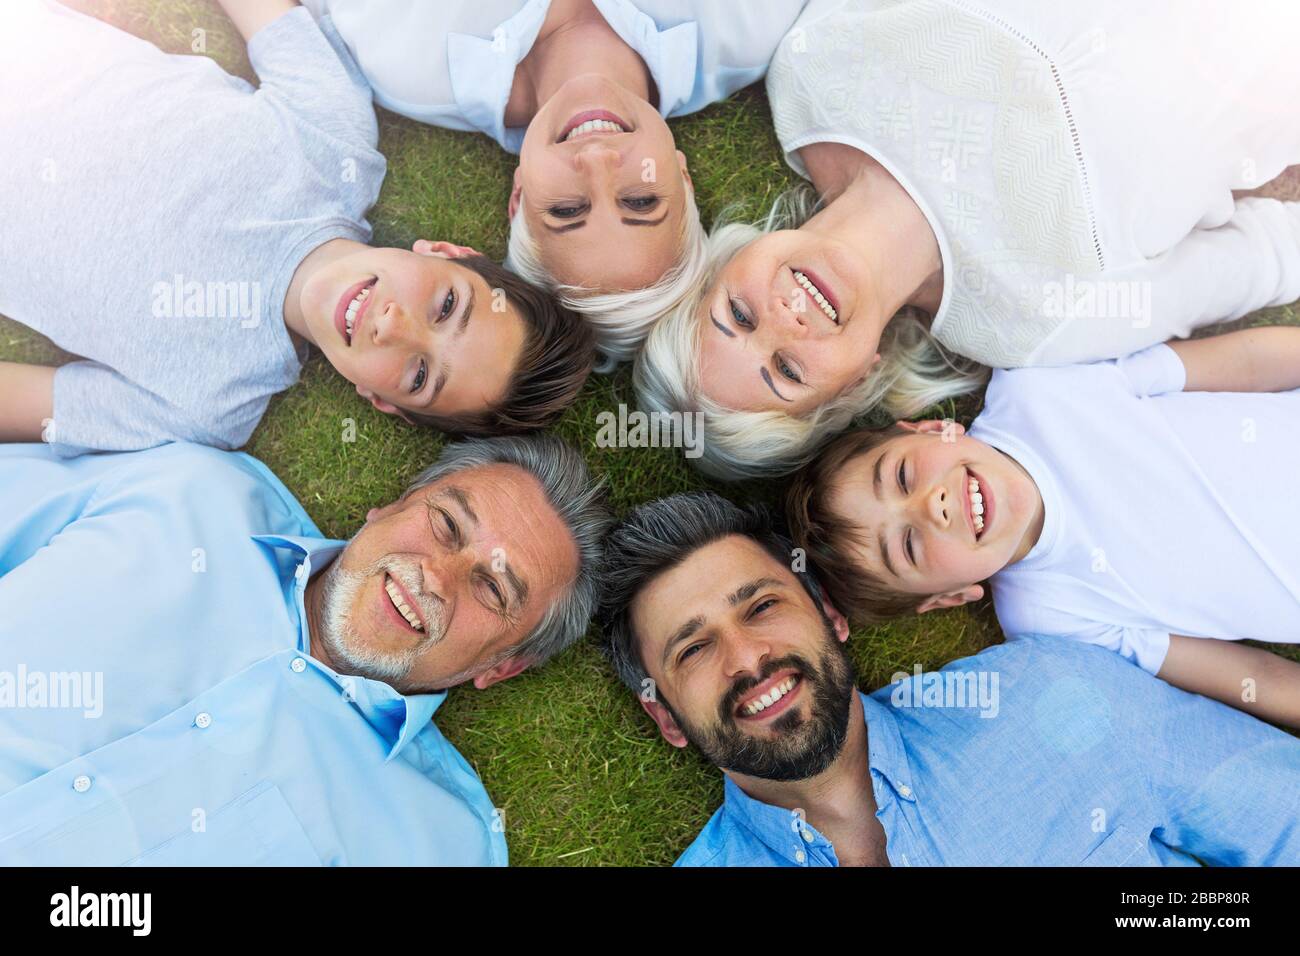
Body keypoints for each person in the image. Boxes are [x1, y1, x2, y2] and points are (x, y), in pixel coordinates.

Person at [634, 0, 1300, 478]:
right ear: (853, 385)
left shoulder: (811, 68)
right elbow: (1261, 260)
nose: (786, 323)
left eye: (738, 316)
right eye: (786, 371)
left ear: (727, 258)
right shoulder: (1034, 324)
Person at [0, 0, 592, 455]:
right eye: (444, 306)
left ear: (381, 401)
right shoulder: (335, 144)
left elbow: (32, 402)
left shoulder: (207, 406)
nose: (396, 325)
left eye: (419, 374)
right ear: (443, 252)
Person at [0, 433, 610, 864]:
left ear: (501, 667)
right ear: (388, 507)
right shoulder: (192, 491)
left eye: (492, 588)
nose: (435, 577)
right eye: (445, 525)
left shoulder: (440, 843)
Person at [597, 492, 1300, 866]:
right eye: (692, 651)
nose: (747, 659)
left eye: (762, 606)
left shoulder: (1051, 698)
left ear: (831, 615)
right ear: (666, 717)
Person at [785, 326, 1300, 727]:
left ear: (930, 428)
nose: (932, 506)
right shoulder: (1050, 618)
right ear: (949, 596)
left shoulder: (1035, 388)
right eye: (910, 546)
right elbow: (1248, 676)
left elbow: (1242, 362)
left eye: (901, 475)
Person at [301, 0, 809, 364]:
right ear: (682, 175)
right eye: (639, 199)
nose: (595, 159)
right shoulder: (749, 23)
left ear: (519, 195)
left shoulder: (406, 60)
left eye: (567, 211)